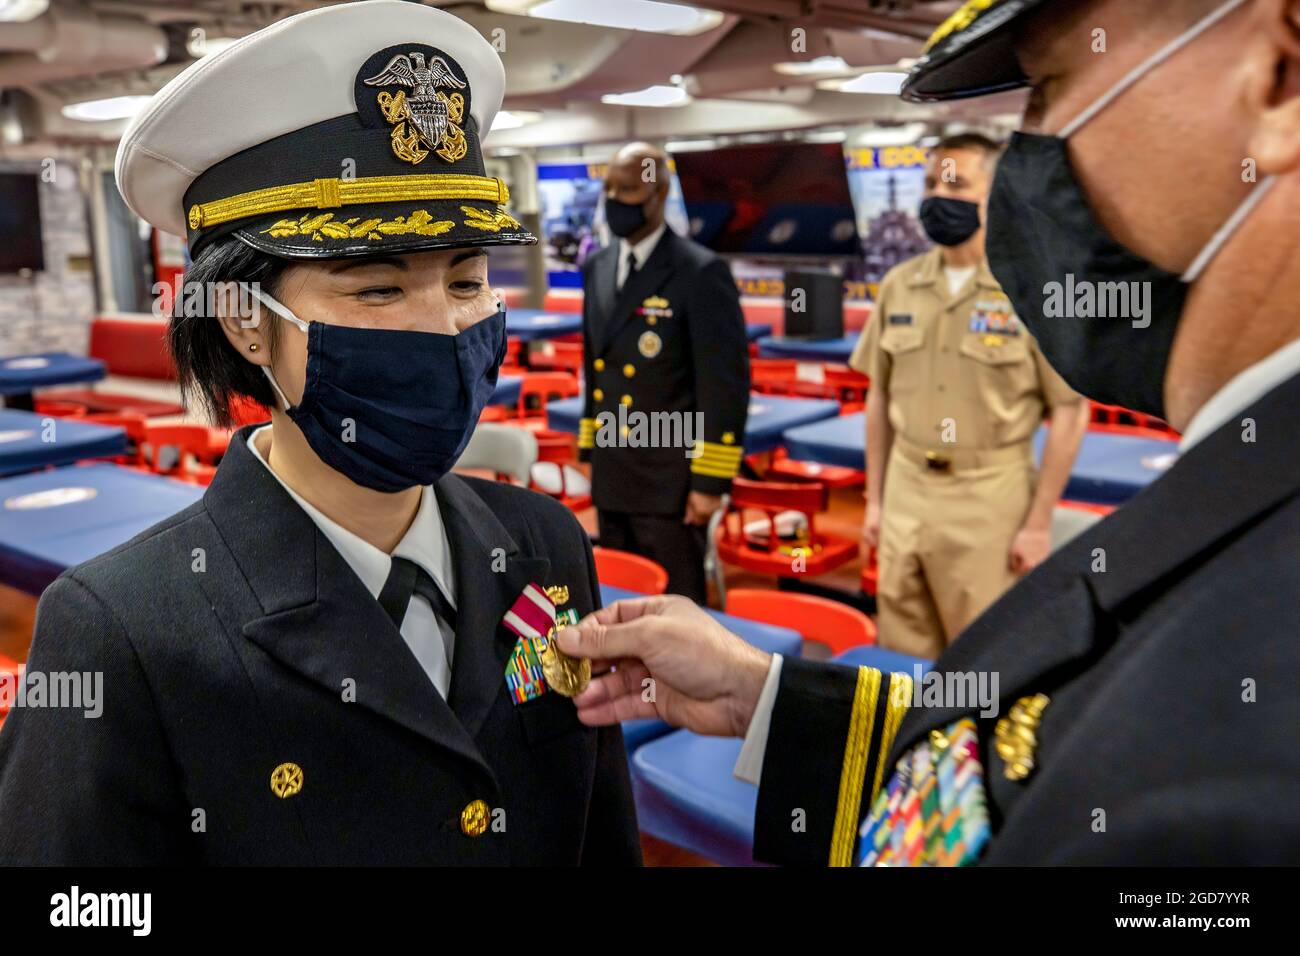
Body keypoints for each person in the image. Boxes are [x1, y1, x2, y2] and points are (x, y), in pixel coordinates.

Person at [560, 0, 1300, 865]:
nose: (1028, 156)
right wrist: (765, 699)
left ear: (1280, 77)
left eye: (1045, 90)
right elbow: (1024, 758)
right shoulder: (1243, 488)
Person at [0, 1, 640, 866]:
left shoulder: (544, 544)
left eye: (467, 279)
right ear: (245, 325)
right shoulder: (124, 629)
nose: (445, 328)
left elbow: (598, 834)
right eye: (376, 289)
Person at [851, 132, 1088, 659]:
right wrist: (875, 499)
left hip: (988, 499)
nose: (938, 195)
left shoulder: (1033, 291)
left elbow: (1071, 413)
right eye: (932, 182)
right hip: (907, 490)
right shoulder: (900, 284)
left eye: (954, 183)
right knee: (902, 657)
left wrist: (1038, 522)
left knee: (983, 660)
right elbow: (879, 399)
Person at [578, 143, 750, 602]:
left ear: (660, 194)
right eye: (609, 188)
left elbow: (723, 387)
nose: (615, 200)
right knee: (619, 598)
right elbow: (595, 369)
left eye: (629, 190)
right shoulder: (597, 266)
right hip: (614, 467)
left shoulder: (700, 271)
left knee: (676, 608)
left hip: (670, 476)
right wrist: (589, 446)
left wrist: (711, 482)